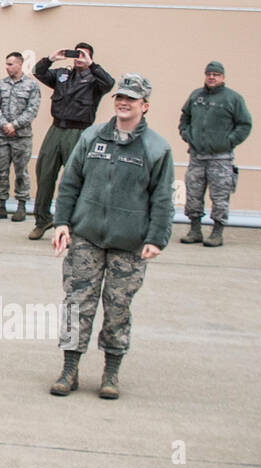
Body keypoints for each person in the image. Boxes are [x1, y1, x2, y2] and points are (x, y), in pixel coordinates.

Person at [49, 73, 173, 400]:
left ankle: (111, 373)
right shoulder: (92, 137)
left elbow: (162, 198)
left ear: (144, 105)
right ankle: (69, 369)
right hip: (86, 236)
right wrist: (61, 222)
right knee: (77, 302)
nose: (122, 101)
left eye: (131, 99)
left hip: (129, 244)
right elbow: (70, 182)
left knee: (118, 308)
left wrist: (157, 237)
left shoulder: (156, 148)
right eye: (120, 96)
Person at [28, 43, 114, 240]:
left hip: (78, 131)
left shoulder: (95, 80)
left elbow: (109, 83)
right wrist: (51, 58)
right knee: (44, 173)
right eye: (76, 54)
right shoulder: (62, 75)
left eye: (83, 55)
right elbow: (38, 72)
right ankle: (42, 220)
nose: (78, 58)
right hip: (56, 128)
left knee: (74, 179)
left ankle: (71, 225)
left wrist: (92, 65)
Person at [178, 61, 252, 247]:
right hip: (197, 156)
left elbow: (244, 124)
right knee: (193, 195)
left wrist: (228, 141)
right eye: (209, 74)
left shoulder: (232, 98)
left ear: (223, 77)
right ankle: (195, 230)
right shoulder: (196, 96)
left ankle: (217, 232)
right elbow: (184, 118)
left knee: (220, 196)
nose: (212, 77)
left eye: (216, 74)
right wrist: (187, 135)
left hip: (221, 158)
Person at [0, 51, 42, 221]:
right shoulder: (0, 85)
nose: (7, 67)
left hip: (21, 137)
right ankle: (0, 206)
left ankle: (21, 207)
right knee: (0, 171)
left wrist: (14, 125)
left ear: (19, 64)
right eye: (6, 64)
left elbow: (32, 110)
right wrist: (4, 125)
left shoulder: (32, 86)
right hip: (2, 137)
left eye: (10, 64)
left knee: (21, 173)